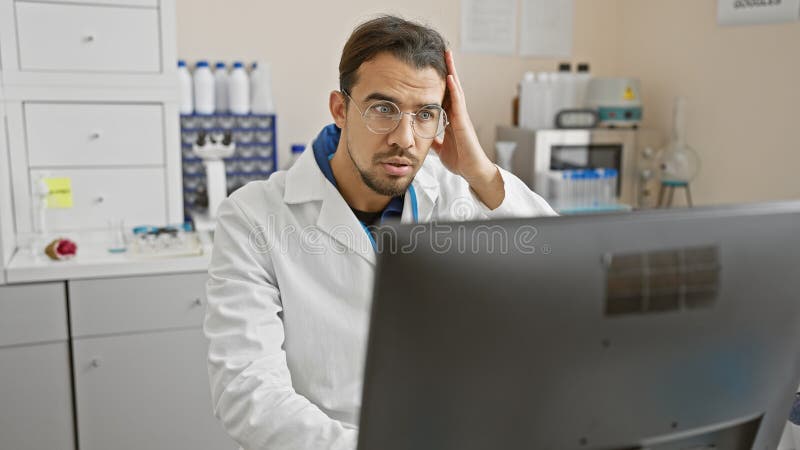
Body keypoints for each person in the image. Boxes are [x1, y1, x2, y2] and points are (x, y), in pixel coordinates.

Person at [204, 15, 556, 450]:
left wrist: (479, 170)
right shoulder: (253, 217)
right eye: (383, 109)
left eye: (425, 114)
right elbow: (247, 394)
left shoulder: (455, 196)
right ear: (339, 108)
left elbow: (561, 274)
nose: (405, 138)